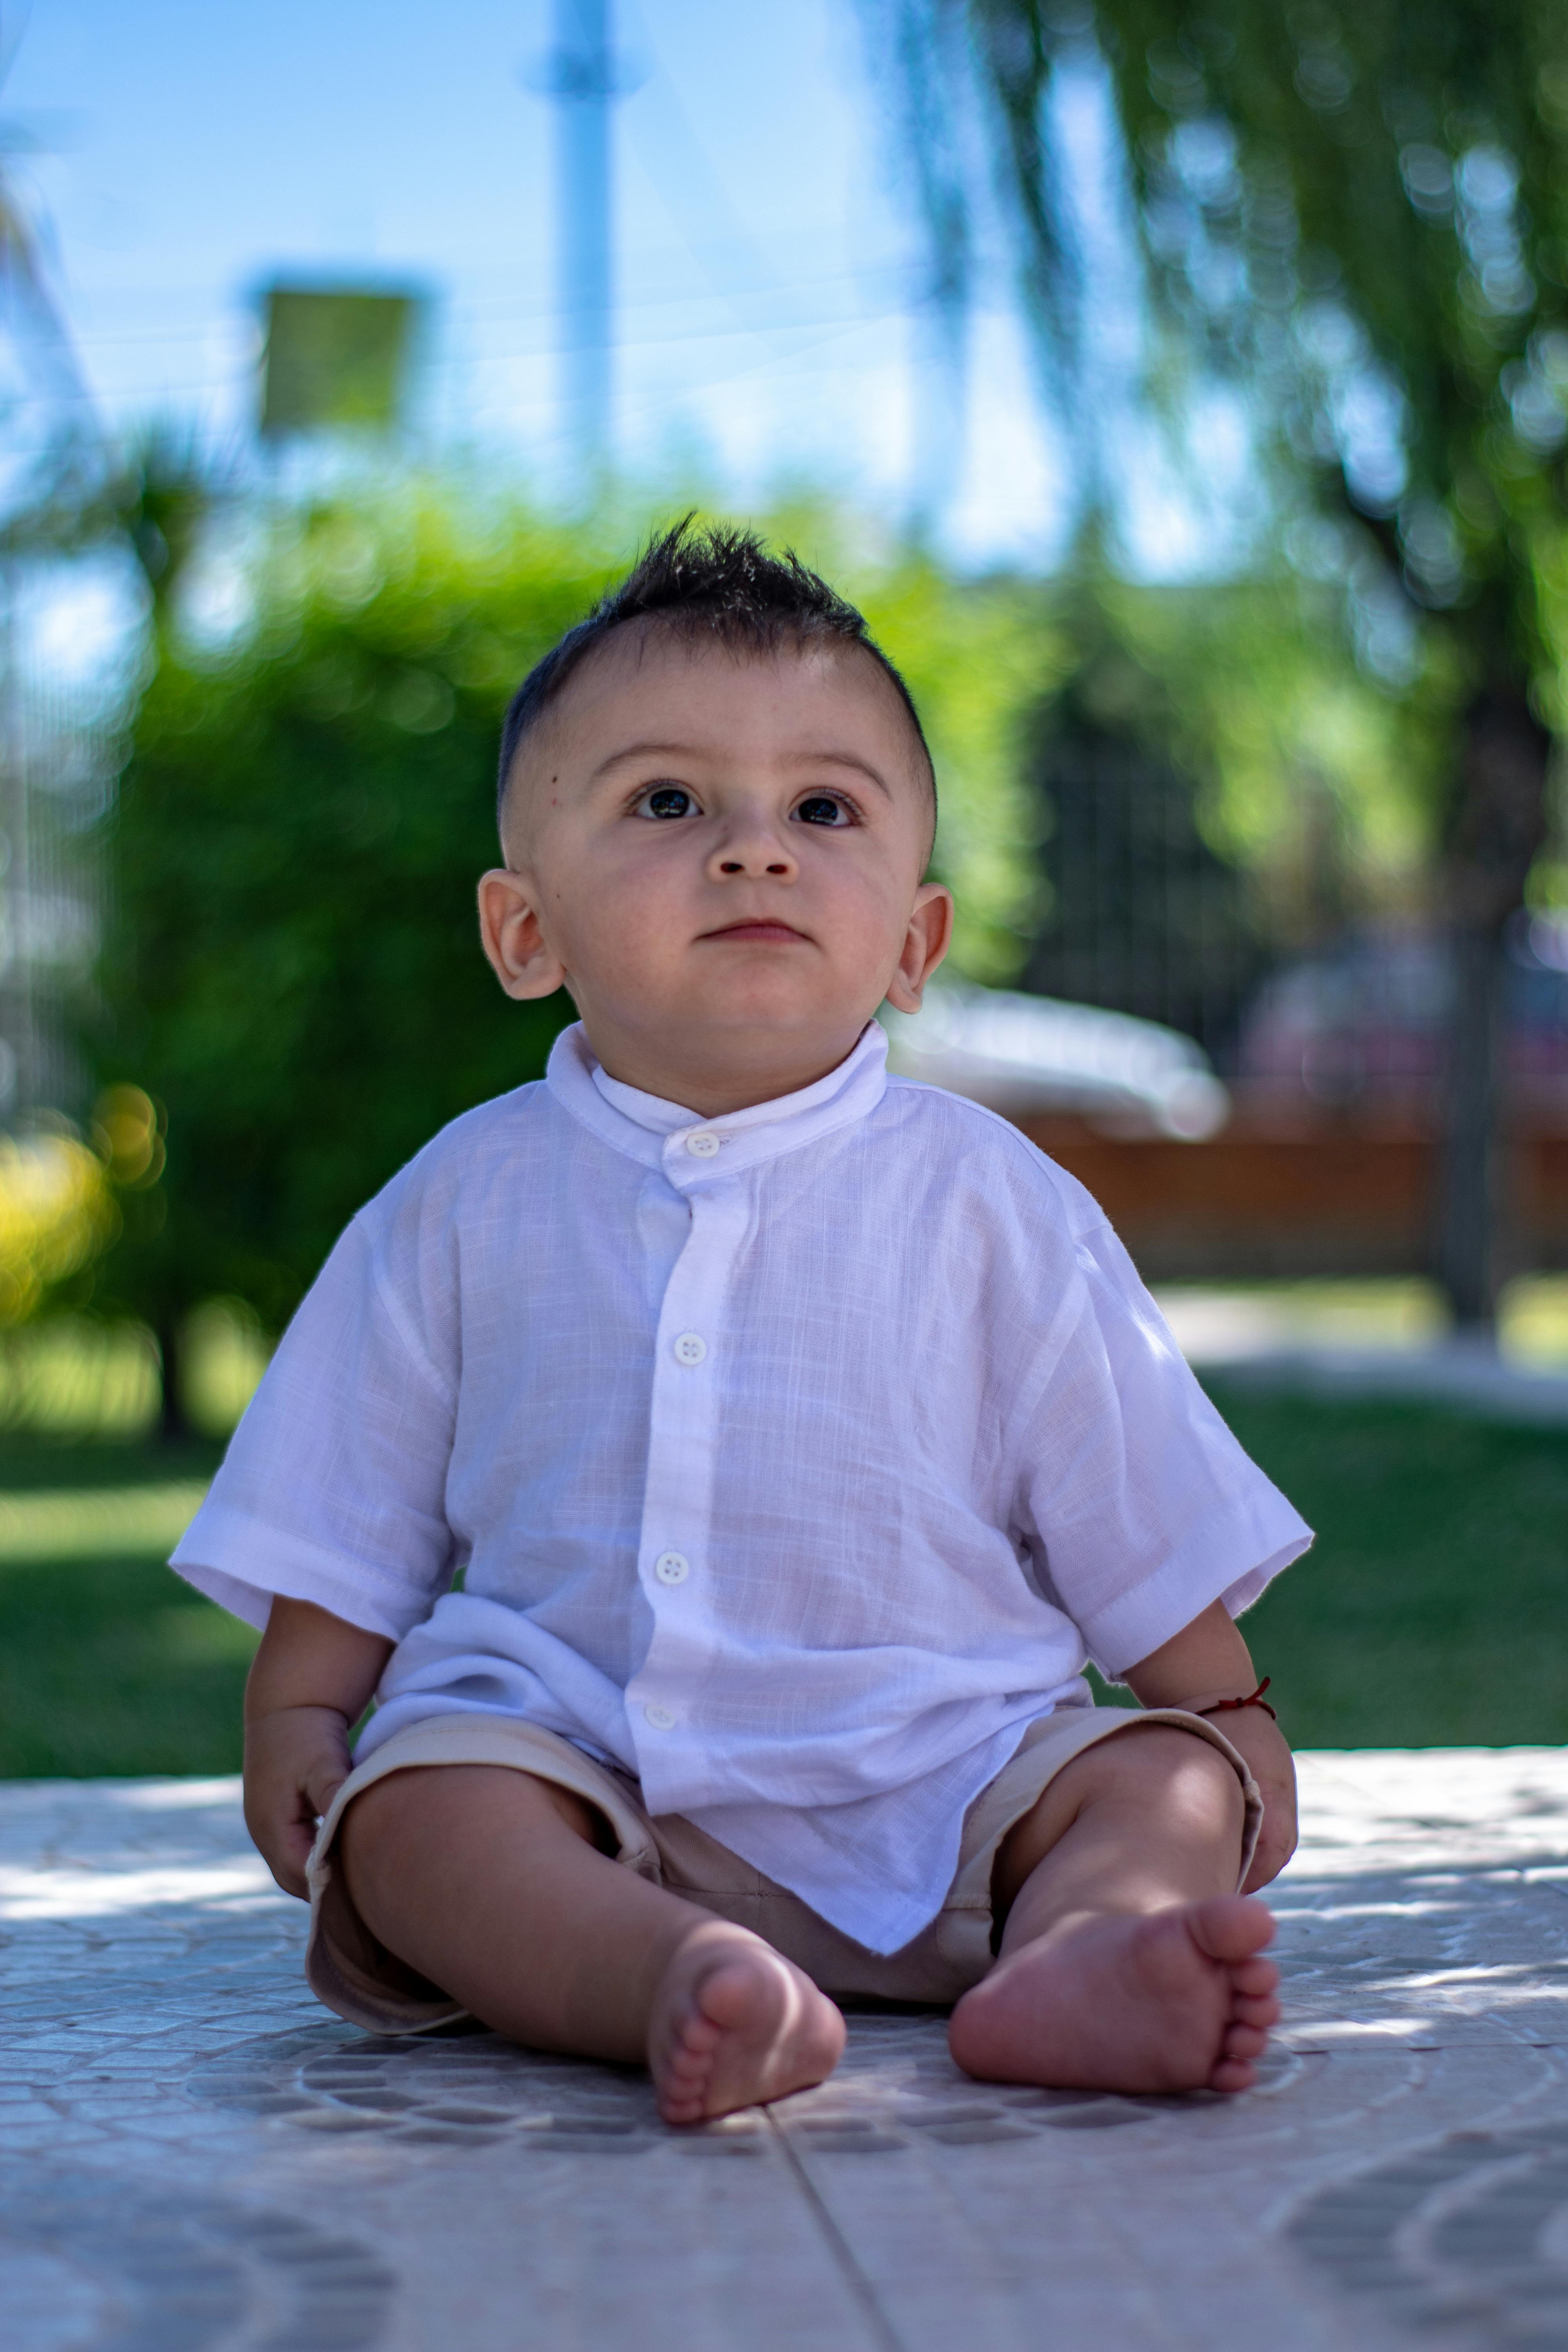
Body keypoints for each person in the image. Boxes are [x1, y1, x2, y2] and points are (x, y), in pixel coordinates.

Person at [173, 523, 1311, 2128]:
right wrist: (301, 1717)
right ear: (526, 933)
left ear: (913, 944)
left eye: (822, 810)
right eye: (666, 803)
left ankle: (1086, 1951)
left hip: (952, 1773)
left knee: (1158, 1782)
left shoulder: (992, 1198)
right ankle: (664, 1977)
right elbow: (344, 1487)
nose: (753, 850)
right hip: (585, 1780)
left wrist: (1229, 1712)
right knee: (417, 1818)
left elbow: (1122, 1475)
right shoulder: (463, 1200)